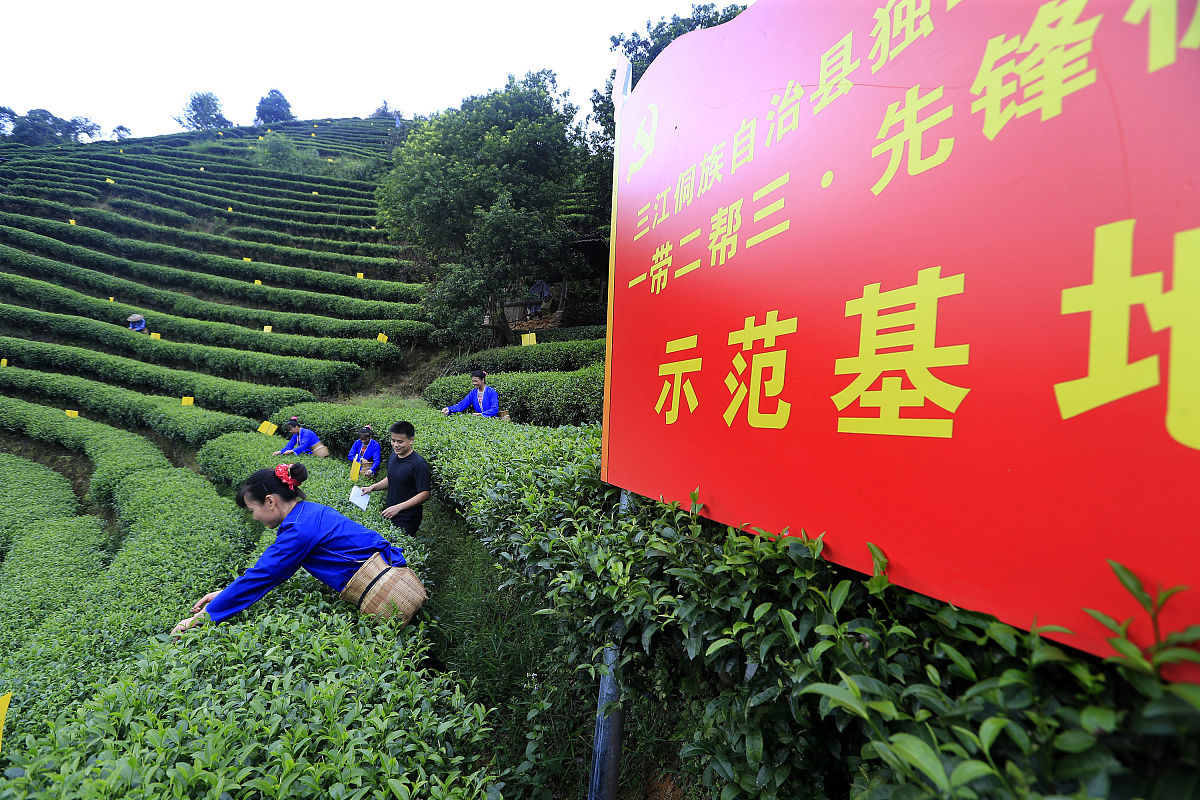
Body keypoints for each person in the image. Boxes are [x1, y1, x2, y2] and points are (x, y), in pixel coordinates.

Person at [171, 463, 422, 635]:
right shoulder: (308, 512)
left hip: (387, 592)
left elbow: (264, 576)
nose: (255, 518)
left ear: (270, 502)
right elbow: (272, 571)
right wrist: (225, 593)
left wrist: (201, 617)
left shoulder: (299, 530)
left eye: (252, 510)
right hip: (389, 574)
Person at [360, 420, 430, 536]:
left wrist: (398, 507)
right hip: (391, 511)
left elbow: (425, 493)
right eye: (393, 441)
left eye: (400, 441)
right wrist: (372, 487)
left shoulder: (418, 464)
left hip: (408, 517)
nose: (395, 445)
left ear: (411, 440)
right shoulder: (393, 456)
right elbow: (392, 478)